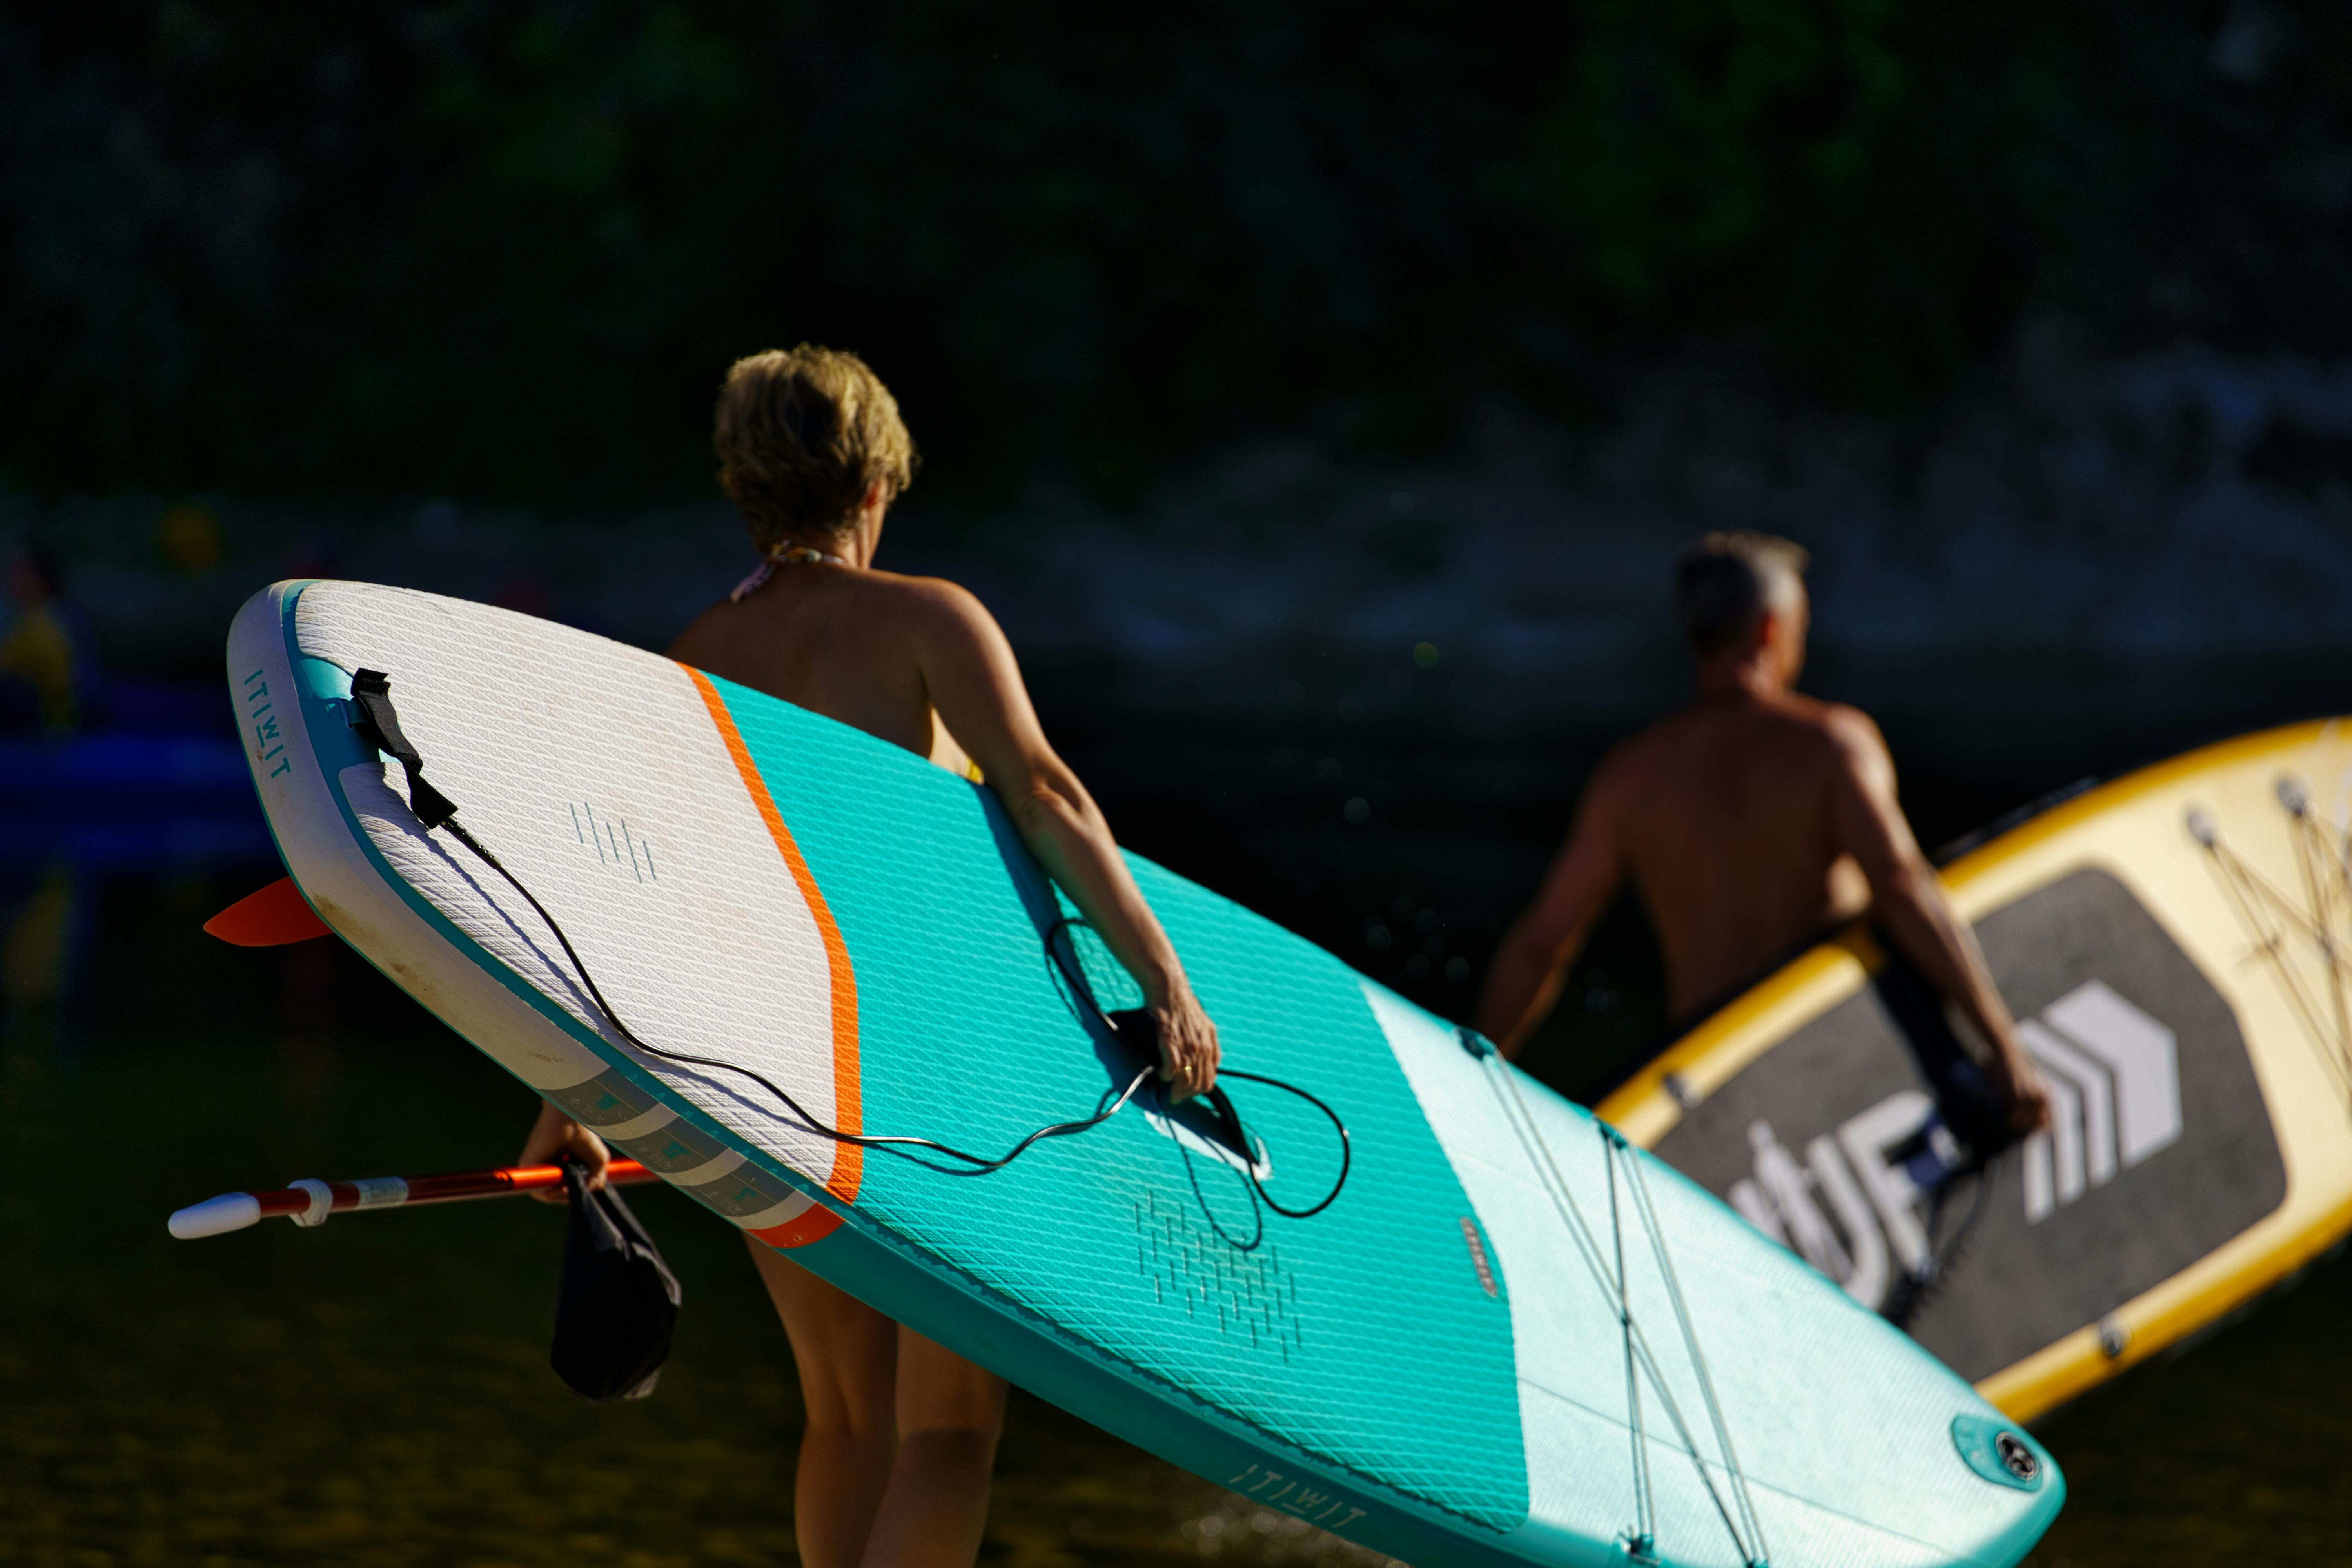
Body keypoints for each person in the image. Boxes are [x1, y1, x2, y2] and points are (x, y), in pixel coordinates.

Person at [518, 345, 1221, 1568]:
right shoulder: (927, 622)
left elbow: (639, 904)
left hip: (766, 1062)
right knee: (946, 1430)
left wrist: (573, 1100)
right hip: (933, 1065)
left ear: (747, 483)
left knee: (842, 1414)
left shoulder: (695, 656)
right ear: (874, 479)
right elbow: (1048, 797)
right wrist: (1164, 977)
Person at [1475, 531, 2050, 1136]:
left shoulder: (1631, 778)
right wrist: (2005, 1046)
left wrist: (1478, 1068)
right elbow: (1902, 886)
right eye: (1802, 624)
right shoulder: (1831, 746)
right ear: (1771, 628)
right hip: (1829, 1062)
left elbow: (1544, 945)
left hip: (1708, 1076)